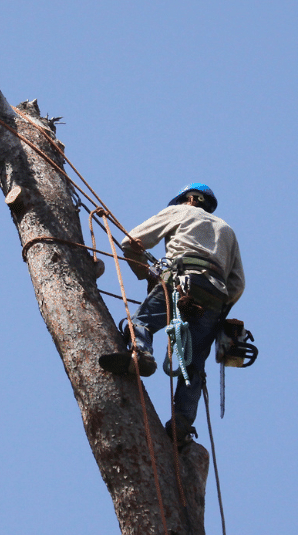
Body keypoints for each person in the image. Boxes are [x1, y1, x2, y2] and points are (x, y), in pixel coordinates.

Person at [99, 183, 245, 447]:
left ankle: (140, 355)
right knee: (194, 367)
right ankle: (182, 423)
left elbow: (131, 242)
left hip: (181, 282)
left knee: (141, 322)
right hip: (215, 298)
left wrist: (147, 276)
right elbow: (237, 285)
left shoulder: (180, 212)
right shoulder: (227, 230)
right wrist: (216, 310)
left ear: (190, 199)